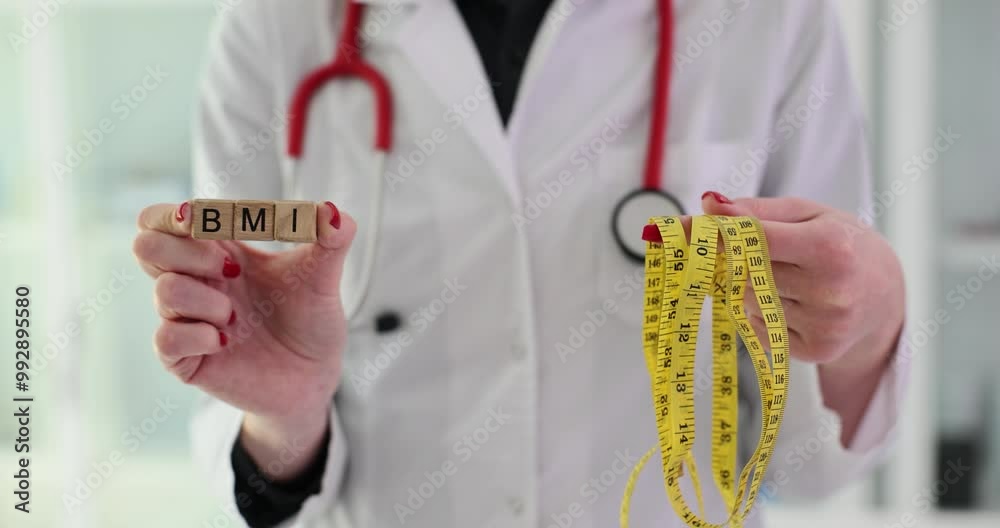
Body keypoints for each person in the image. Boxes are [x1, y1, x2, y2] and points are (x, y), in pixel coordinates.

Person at [131, 0, 908, 526]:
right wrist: (285, 417)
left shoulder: (765, 18)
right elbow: (252, 450)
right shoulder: (277, 23)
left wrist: (866, 328)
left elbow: (814, 470)